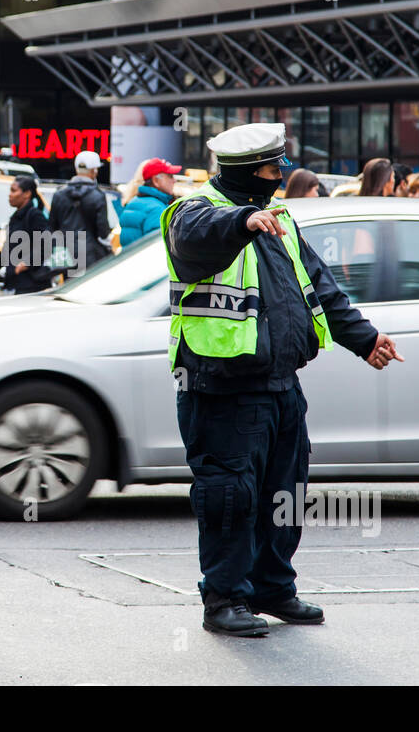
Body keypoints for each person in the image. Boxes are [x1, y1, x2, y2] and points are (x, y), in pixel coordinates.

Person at [163, 122, 402, 637]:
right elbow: (198, 238)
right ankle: (224, 598)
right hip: (221, 384)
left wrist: (364, 339)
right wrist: (243, 220)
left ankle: (272, 588)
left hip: (280, 383)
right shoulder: (194, 210)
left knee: (284, 493)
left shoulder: (281, 219)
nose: (281, 176)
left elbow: (321, 288)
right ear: (249, 172)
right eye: (274, 169)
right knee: (231, 495)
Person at [48, 150, 113, 272]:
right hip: (90, 256)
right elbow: (103, 231)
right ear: (94, 171)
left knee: (68, 289)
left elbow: (52, 227)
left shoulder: (59, 194)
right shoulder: (98, 196)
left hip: (66, 256)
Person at [119, 158, 182, 247]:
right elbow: (156, 248)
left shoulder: (134, 201)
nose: (174, 180)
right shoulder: (156, 209)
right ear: (156, 181)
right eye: (170, 176)